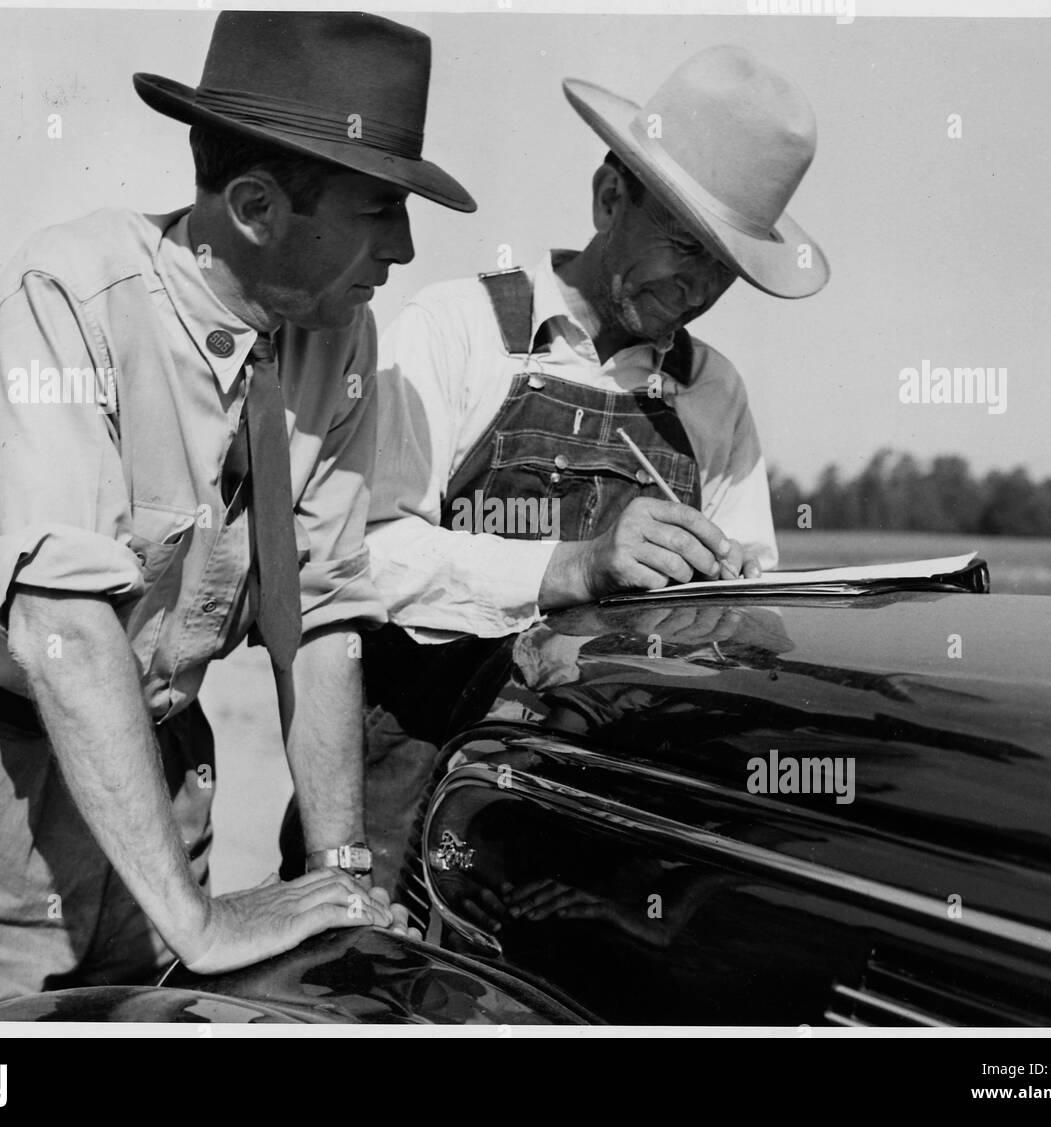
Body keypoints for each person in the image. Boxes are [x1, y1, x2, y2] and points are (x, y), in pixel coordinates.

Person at [0, 11, 475, 1021]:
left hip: (160, 766)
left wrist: (337, 877)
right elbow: (60, 626)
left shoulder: (338, 338)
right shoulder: (72, 293)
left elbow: (317, 614)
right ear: (252, 204)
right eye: (378, 210)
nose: (405, 249)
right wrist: (195, 918)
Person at [353, 45, 830, 889]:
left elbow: (751, 610)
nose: (698, 288)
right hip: (412, 799)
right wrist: (573, 564)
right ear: (610, 196)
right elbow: (368, 556)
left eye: (724, 267)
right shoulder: (455, 328)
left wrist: (736, 605)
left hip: (602, 824)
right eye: (685, 246)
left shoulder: (714, 392)